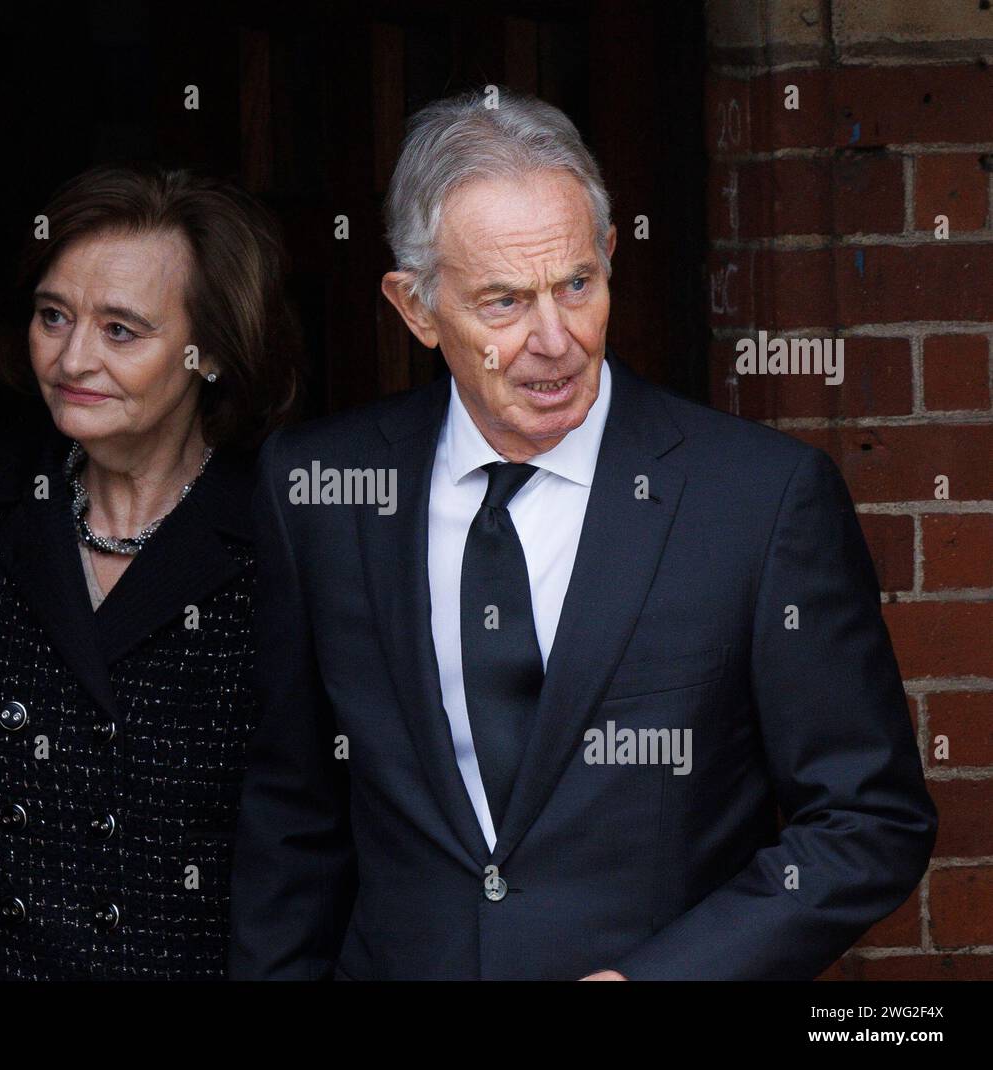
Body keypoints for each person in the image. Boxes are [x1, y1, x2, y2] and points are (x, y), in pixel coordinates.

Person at [227, 89, 937, 981]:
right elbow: (293, 814)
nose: (554, 340)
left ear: (608, 257)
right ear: (415, 307)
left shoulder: (760, 501)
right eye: (502, 303)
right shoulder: (319, 493)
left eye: (576, 284)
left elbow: (869, 822)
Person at [0, 164, 299, 979]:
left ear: (208, 350)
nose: (72, 358)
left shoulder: (286, 538)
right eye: (52, 316)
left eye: (120, 330)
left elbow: (314, 847)